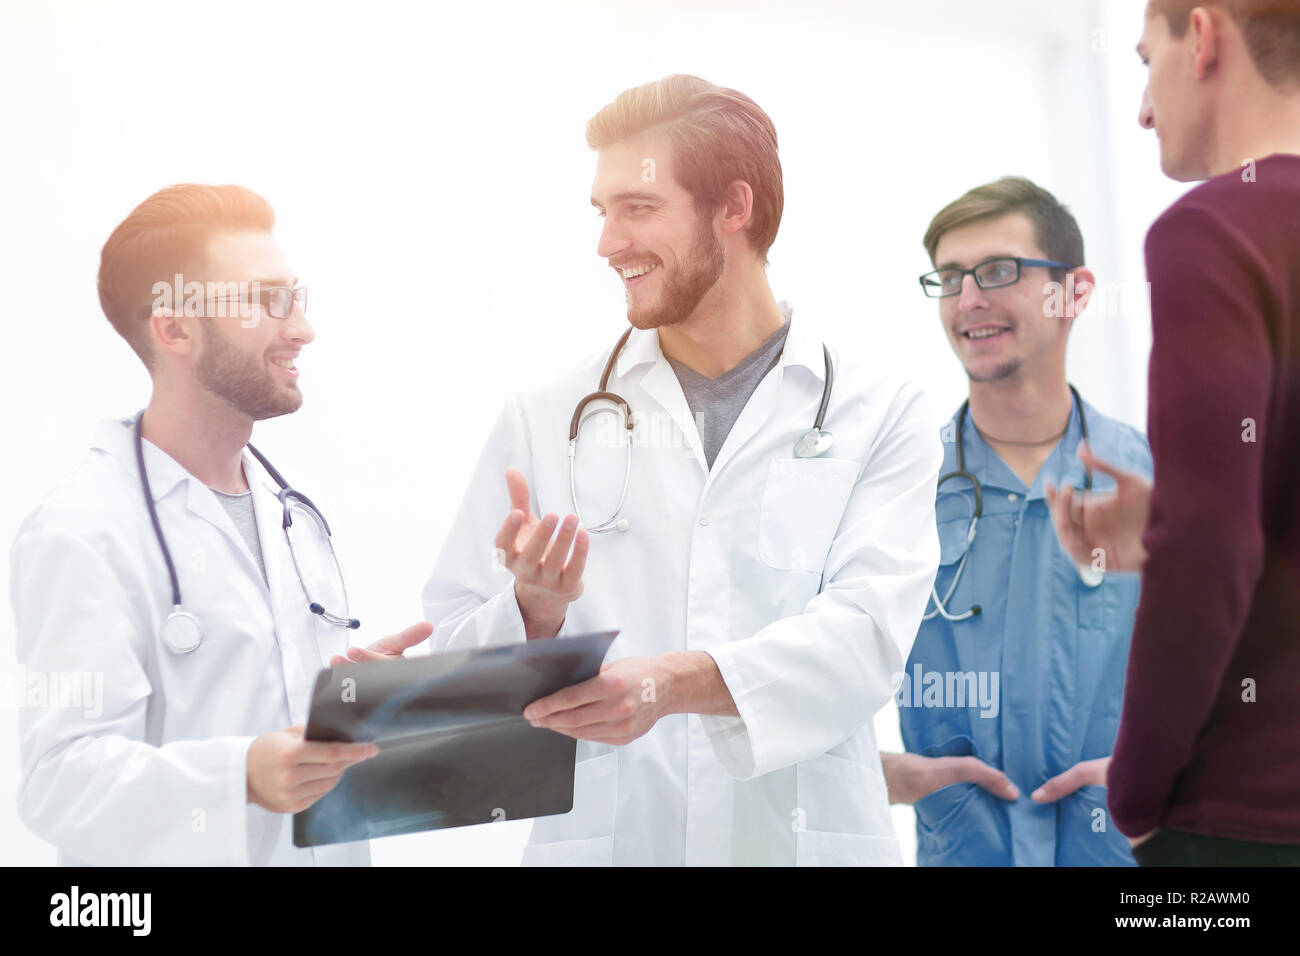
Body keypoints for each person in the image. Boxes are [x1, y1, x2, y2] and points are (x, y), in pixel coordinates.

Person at [413, 75, 942, 865]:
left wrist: (679, 683)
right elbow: (446, 672)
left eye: (637, 208)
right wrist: (533, 611)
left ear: (733, 208)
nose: (606, 243)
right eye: (602, 212)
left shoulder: (880, 411)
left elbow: (867, 638)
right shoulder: (547, 414)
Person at [10, 184, 431, 865]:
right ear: (174, 329)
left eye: (296, 297)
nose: (301, 328)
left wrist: (346, 697)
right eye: (267, 301)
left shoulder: (294, 512)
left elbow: (270, 708)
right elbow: (58, 783)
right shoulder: (82, 531)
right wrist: (238, 776)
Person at [1047, 0, 1300, 866]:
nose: (1144, 107)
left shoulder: (1215, 230)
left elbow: (1214, 544)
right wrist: (1169, 517)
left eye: (1146, 59)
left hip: (1240, 826)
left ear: (1203, 37)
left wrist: (1138, 793)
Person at [881, 177, 1152, 866]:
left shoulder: (1154, 481)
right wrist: (867, 770)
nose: (968, 299)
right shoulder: (899, 488)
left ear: (1074, 292)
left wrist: (1171, 772)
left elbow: (1250, 671)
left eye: (998, 271)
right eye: (949, 277)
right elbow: (800, 654)